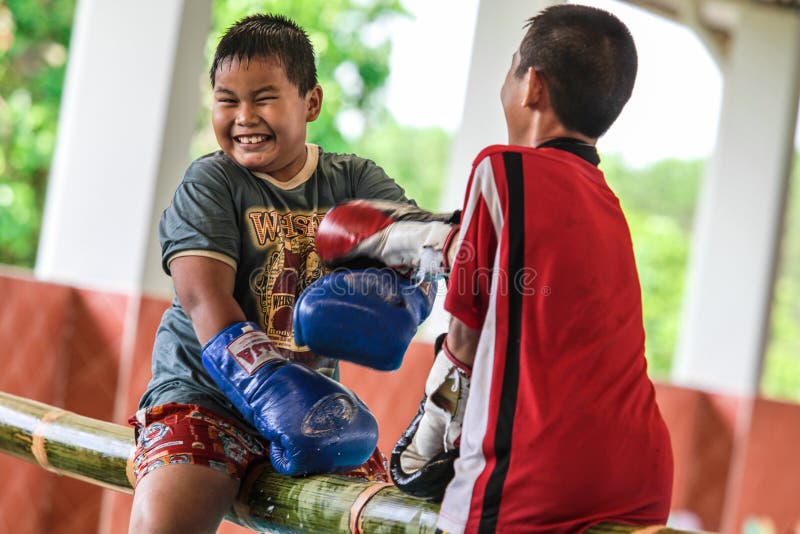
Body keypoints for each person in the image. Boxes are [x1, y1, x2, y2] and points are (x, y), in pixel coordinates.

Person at [314, 4, 674, 532]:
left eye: (510, 70)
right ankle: (423, 237)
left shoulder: (503, 168)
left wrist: (427, 438)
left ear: (533, 86)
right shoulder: (609, 206)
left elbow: (464, 341)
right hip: (641, 481)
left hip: (536, 474)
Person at [128, 13, 418, 533]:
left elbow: (419, 246)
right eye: (227, 100)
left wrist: (410, 290)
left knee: (378, 519)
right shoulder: (212, 182)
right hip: (205, 397)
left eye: (263, 98)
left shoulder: (353, 180)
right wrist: (269, 389)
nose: (243, 116)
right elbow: (203, 299)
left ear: (311, 102)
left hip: (312, 411)